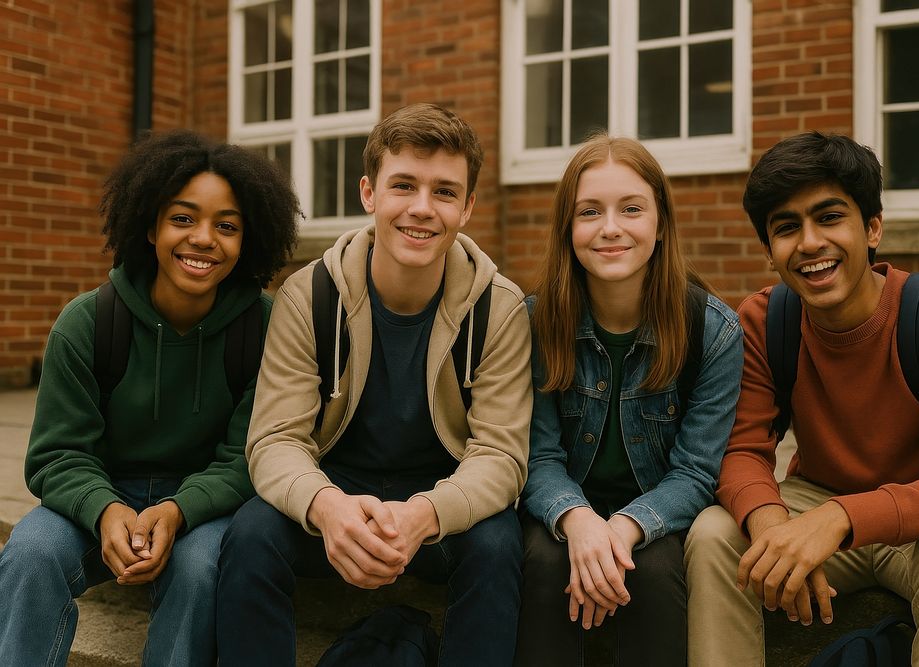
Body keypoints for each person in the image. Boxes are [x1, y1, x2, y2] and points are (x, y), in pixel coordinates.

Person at [216, 103, 532, 666]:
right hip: (337, 486)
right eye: (403, 185)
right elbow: (274, 441)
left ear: (468, 206)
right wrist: (328, 508)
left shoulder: (499, 307)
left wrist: (425, 514)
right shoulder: (308, 295)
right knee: (250, 533)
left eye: (444, 192)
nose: (421, 208)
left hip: (442, 493)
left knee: (499, 542)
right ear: (368, 192)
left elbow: (502, 457)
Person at [685, 131, 919, 665]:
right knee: (716, 532)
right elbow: (739, 451)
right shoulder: (765, 322)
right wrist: (773, 530)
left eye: (829, 218)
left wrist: (838, 518)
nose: (809, 243)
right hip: (816, 501)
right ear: (769, 252)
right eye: (787, 228)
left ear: (873, 227)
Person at [0, 130, 300, 666]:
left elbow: (252, 455)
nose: (204, 239)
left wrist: (179, 510)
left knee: (201, 568)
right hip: (103, 493)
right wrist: (105, 508)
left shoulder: (268, 328)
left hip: (202, 506)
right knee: (30, 551)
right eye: (183, 218)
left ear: (247, 240)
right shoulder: (87, 323)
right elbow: (56, 454)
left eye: (226, 226)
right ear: (150, 226)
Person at [514, 134, 743, 666]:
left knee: (657, 572)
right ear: (568, 230)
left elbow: (695, 472)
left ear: (660, 224)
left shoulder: (712, 330)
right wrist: (579, 519)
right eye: (589, 211)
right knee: (544, 563)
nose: (610, 228)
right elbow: (536, 455)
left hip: (657, 511)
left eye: (632, 209)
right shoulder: (533, 322)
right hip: (560, 509)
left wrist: (620, 527)